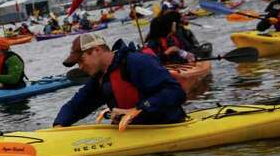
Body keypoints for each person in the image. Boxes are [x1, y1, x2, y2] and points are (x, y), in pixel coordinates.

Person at [54, 34, 187, 129]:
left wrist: (138, 109)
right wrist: (58, 127)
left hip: (166, 127)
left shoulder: (137, 62)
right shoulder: (100, 78)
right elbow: (75, 106)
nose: (81, 67)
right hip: (133, 133)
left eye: (81, 60)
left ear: (96, 50)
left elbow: (176, 92)